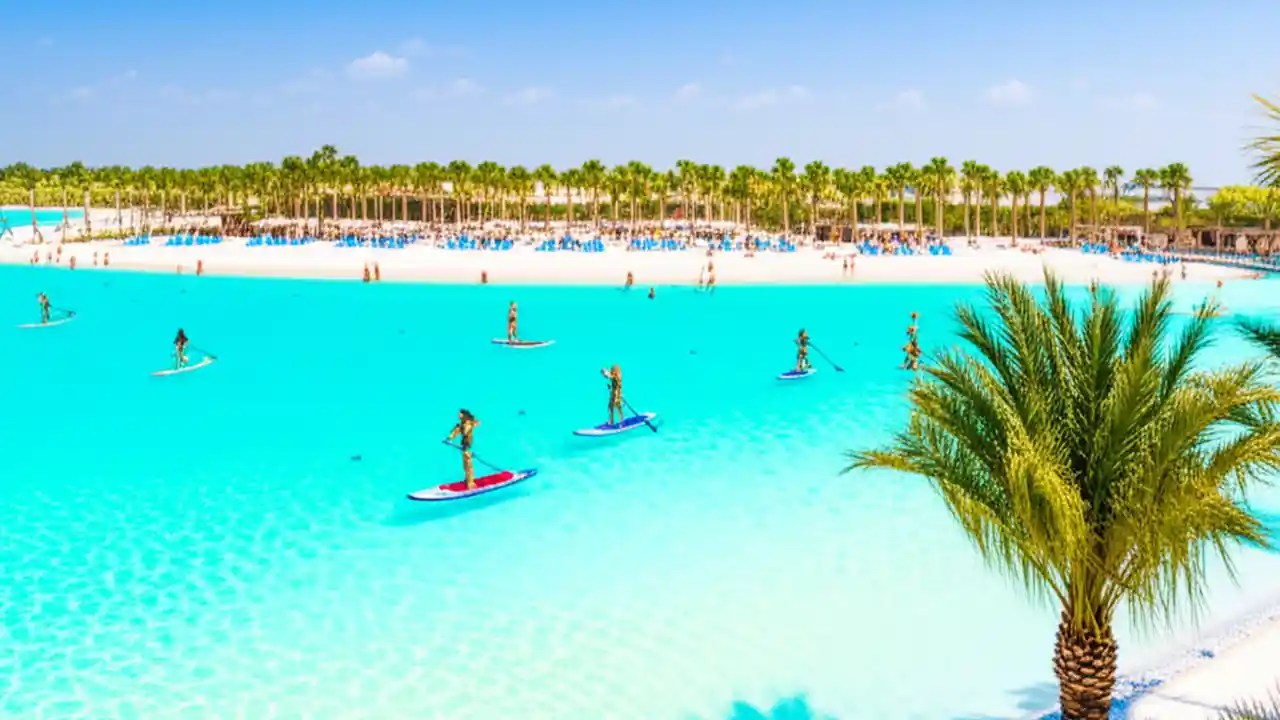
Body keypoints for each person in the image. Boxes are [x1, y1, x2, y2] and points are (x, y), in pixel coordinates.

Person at [446, 409, 481, 489]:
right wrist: (449, 438)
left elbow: (466, 430)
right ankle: (468, 480)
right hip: (464, 446)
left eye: (460, 414)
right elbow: (456, 431)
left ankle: (471, 483)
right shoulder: (462, 424)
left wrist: (468, 425)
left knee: (468, 465)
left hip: (467, 446)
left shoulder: (467, 424)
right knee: (465, 465)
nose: (458, 415)